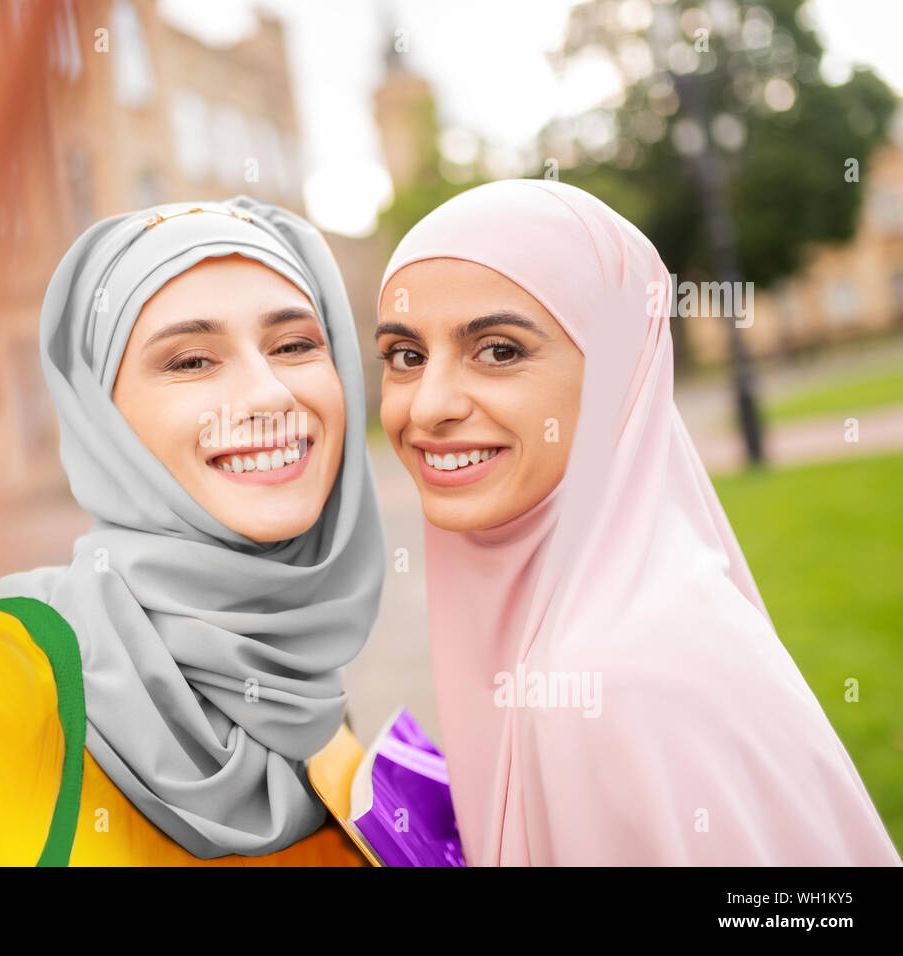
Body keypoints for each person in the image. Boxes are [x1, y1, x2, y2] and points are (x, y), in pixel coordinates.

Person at [374, 178, 901, 866]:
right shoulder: (644, 605)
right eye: (405, 357)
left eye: (499, 350)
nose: (428, 406)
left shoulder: (610, 684)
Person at [0, 196, 385, 865]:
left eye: (296, 344)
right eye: (191, 361)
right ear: (101, 418)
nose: (270, 394)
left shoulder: (305, 690)